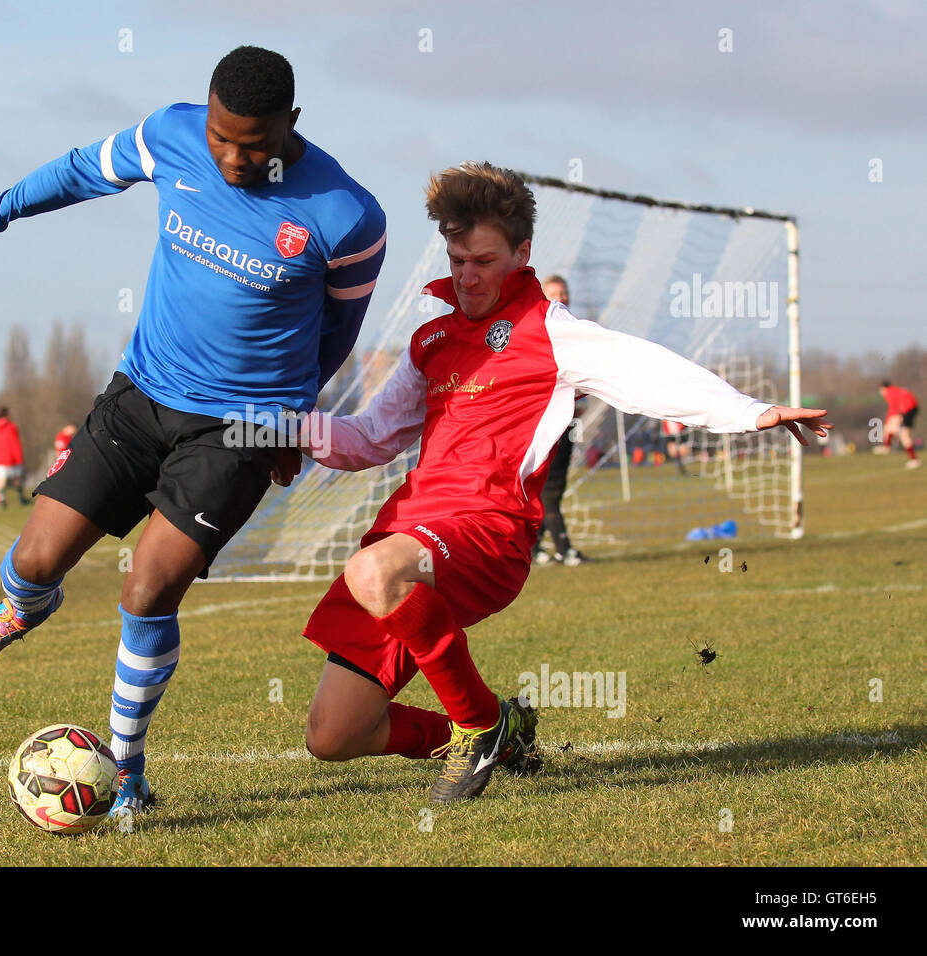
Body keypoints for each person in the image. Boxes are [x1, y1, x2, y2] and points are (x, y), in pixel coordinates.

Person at [0, 46, 386, 815]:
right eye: (223, 138)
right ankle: (25, 607)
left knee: (149, 586)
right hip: (139, 397)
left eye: (254, 145)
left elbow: (335, 334)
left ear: (291, 123)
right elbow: (74, 172)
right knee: (34, 559)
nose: (232, 158)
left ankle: (125, 772)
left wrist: (290, 421)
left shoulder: (347, 215)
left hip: (239, 428)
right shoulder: (171, 135)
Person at [297, 163, 830, 803]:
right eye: (456, 258)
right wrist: (283, 427)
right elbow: (371, 438)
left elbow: (646, 372)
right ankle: (505, 731)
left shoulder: (552, 332)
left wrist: (748, 412)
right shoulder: (430, 340)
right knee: (333, 735)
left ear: (522, 253)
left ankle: (478, 725)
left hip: (488, 533)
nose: (466, 276)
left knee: (372, 573)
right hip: (409, 535)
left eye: (484, 261)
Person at [532, 274, 588, 566]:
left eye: (564, 293)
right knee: (549, 489)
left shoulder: (575, 332)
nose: (561, 298)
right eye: (553, 294)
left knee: (552, 487)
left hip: (568, 425)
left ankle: (535, 548)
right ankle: (565, 550)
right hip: (545, 426)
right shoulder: (540, 333)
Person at [0, 408, 29, 507]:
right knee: (17, 479)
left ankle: (2, 501)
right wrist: (19, 457)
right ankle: (21, 498)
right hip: (12, 458)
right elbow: (15, 443)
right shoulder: (11, 427)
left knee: (1, 480)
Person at [878, 381, 920, 469]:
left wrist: (889, 420)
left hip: (908, 410)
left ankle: (914, 460)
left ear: (883, 388)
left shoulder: (889, 393)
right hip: (911, 409)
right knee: (893, 429)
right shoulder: (895, 391)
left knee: (902, 434)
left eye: (881, 391)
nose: (881, 393)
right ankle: (886, 446)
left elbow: (893, 409)